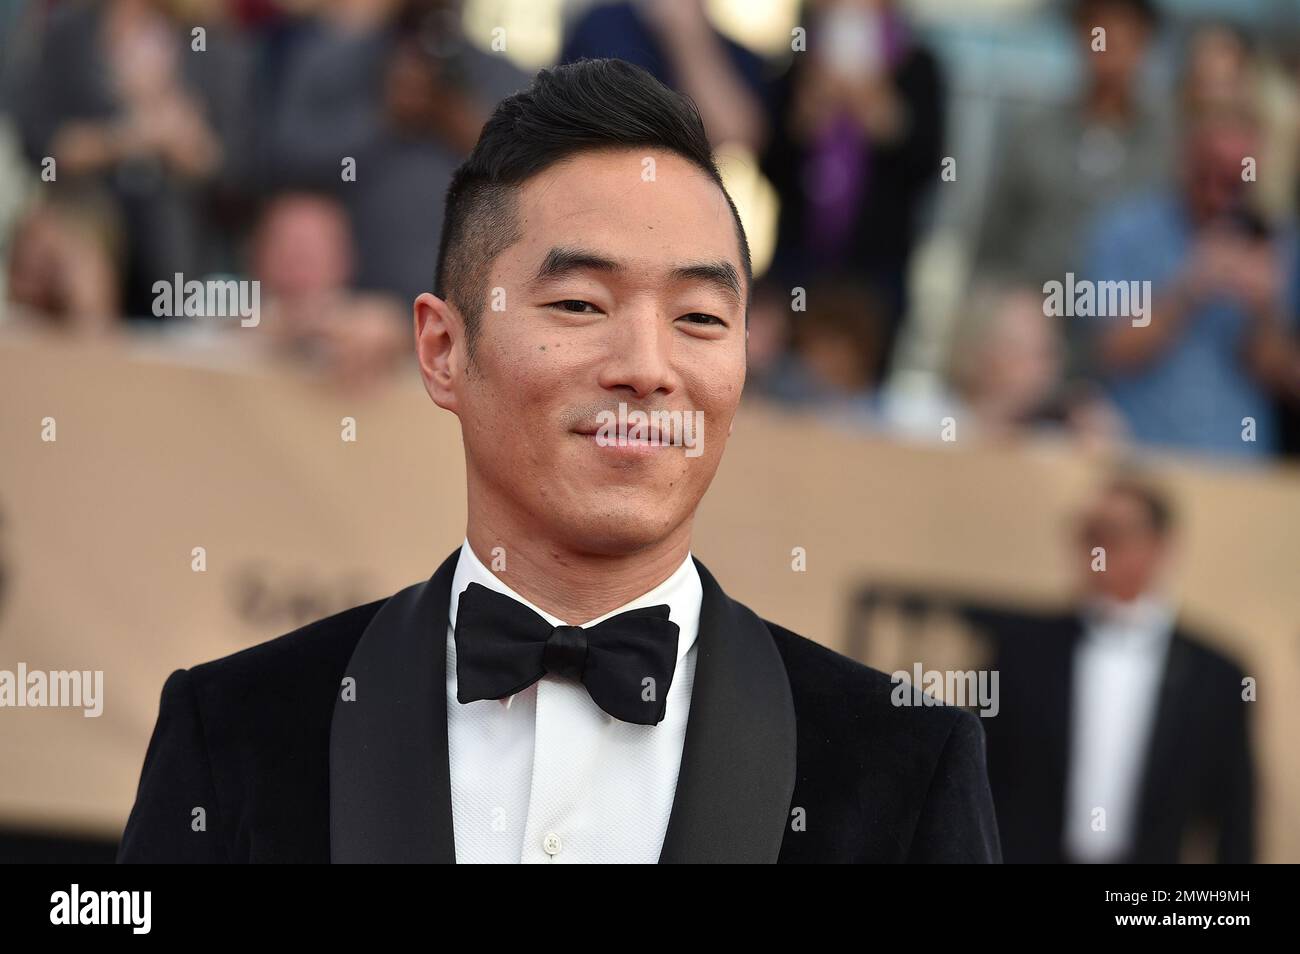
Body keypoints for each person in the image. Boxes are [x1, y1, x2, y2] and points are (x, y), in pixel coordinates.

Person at [116, 59, 1000, 864]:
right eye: (580, 303)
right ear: (442, 350)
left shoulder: (906, 763)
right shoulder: (237, 730)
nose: (647, 369)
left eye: (698, 317)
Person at [984, 476, 1255, 863]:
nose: (1099, 547)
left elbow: (1234, 811)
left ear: (1161, 545)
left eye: (1116, 532)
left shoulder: (1215, 675)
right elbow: (983, 775)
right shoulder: (1022, 651)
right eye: (1089, 532)